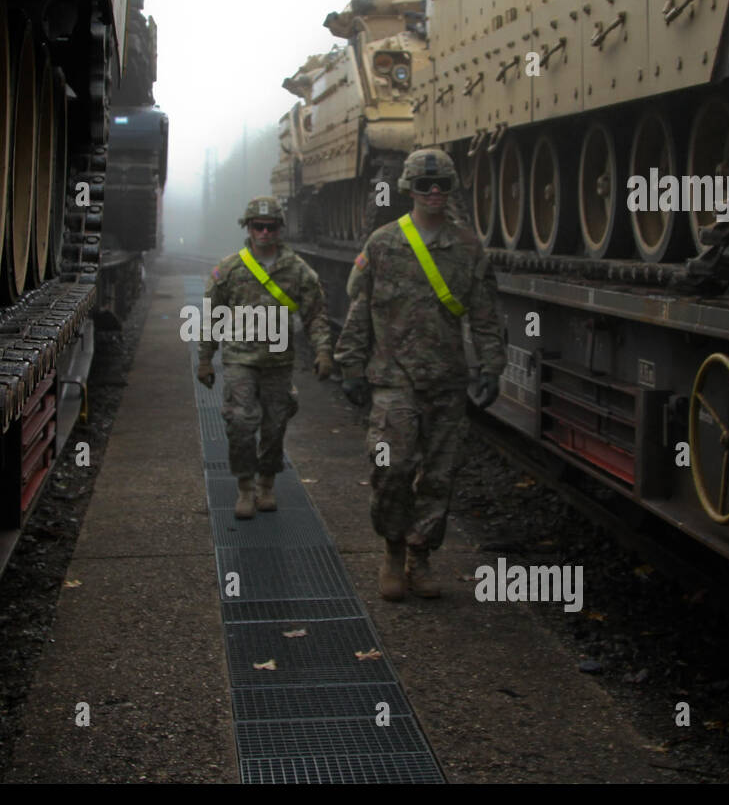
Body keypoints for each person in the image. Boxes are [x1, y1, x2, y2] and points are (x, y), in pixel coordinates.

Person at [333, 149, 505, 600]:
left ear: (451, 191)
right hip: (393, 380)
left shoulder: (467, 249)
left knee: (438, 477)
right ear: (408, 189)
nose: (434, 193)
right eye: (425, 185)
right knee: (390, 467)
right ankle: (392, 550)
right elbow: (360, 310)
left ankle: (420, 555)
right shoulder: (383, 243)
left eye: (443, 185)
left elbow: (485, 315)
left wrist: (491, 366)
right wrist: (350, 364)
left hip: (446, 382)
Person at [197, 197, 334, 519]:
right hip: (239, 360)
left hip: (278, 362)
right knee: (241, 423)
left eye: (271, 226)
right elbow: (211, 315)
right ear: (248, 228)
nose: (264, 232)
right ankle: (245, 487)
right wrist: (205, 357)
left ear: (280, 229)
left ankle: (266, 483)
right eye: (258, 226)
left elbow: (316, 314)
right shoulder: (230, 268)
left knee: (275, 427)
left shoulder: (298, 270)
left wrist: (324, 351)